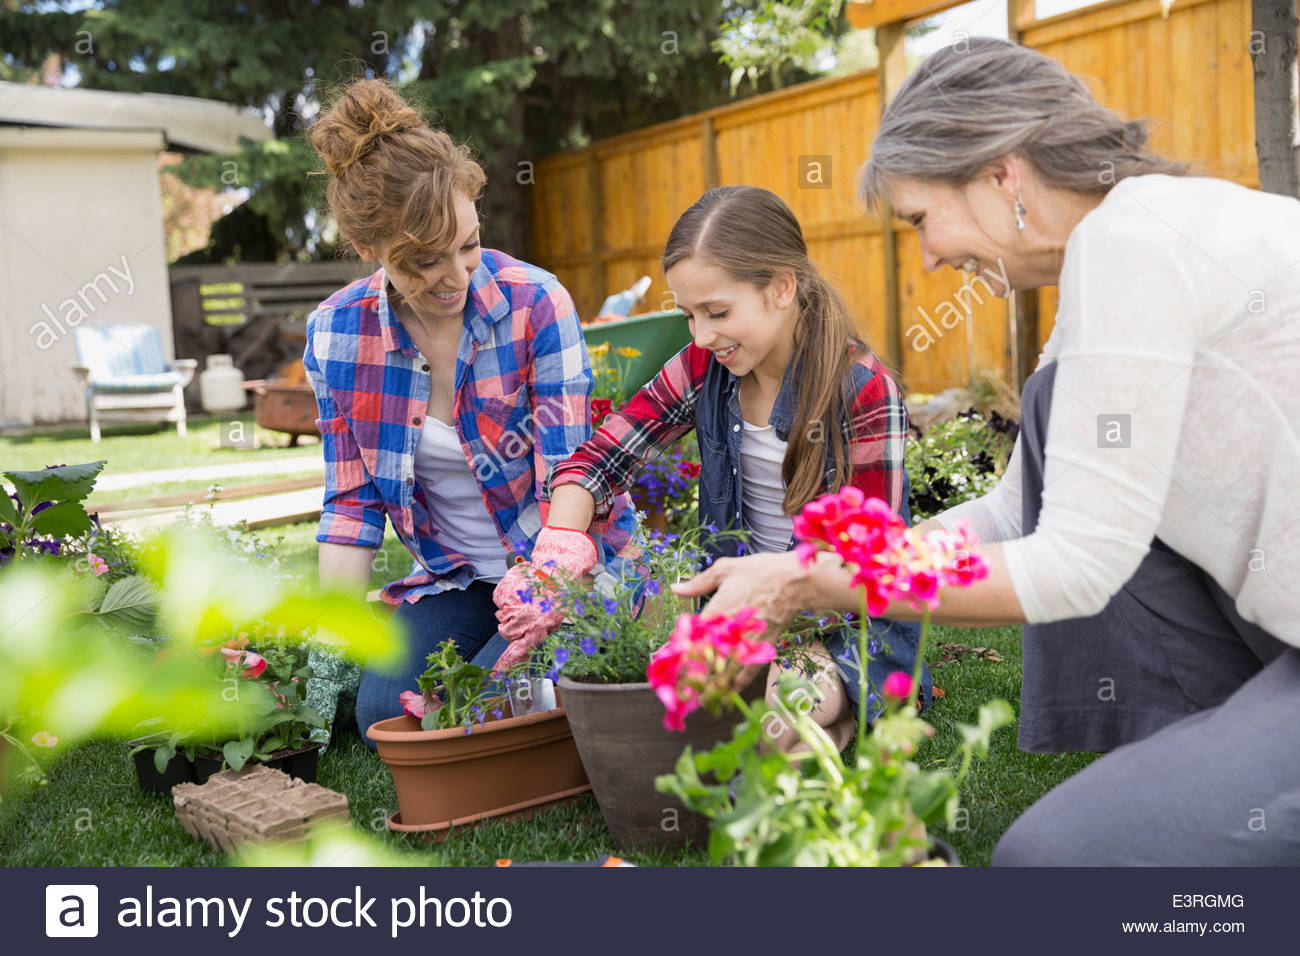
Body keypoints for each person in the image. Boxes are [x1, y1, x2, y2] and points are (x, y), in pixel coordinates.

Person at [674, 38, 1300, 864]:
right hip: (1272, 628)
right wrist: (850, 558)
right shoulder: (1125, 242)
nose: (928, 257)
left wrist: (812, 579)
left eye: (922, 220)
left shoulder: (1132, 246)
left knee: (1047, 862)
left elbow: (1077, 563)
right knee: (1051, 413)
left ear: (1004, 176)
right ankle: (1204, 748)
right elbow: (1018, 506)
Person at [492, 185, 933, 752]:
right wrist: (558, 547)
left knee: (774, 716)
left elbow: (874, 571)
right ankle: (837, 727)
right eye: (689, 315)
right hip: (742, 618)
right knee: (687, 722)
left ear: (780, 286)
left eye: (718, 312)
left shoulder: (864, 391)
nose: (701, 335)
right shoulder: (706, 365)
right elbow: (602, 456)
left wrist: (775, 615)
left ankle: (857, 708)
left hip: (843, 624)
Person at [301, 79, 635, 746]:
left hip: (568, 565)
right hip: (459, 580)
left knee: (475, 712)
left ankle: (573, 672)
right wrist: (323, 655)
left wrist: (546, 587)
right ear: (371, 250)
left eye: (468, 245)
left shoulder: (536, 302)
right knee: (378, 720)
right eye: (423, 261)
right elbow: (352, 508)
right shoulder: (338, 337)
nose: (455, 277)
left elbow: (572, 471)